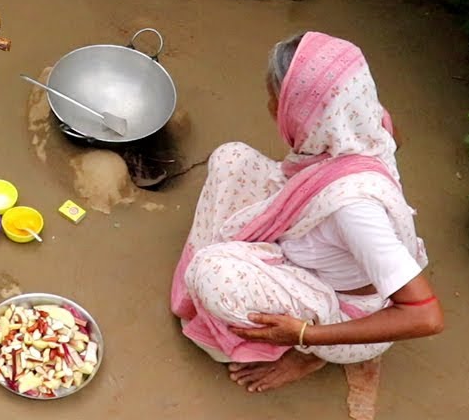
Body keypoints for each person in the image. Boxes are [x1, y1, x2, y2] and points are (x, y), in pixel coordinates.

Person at [170, 31, 444, 393]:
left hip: (338, 307)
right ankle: (224, 278)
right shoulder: (365, 122)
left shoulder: (354, 209)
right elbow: (393, 143)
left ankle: (310, 355)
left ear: (303, 113)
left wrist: (306, 335)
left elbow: (426, 316)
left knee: (212, 274)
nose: (270, 109)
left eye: (275, 100)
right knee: (230, 159)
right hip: (319, 241)